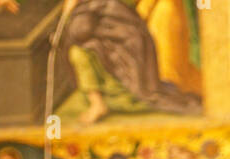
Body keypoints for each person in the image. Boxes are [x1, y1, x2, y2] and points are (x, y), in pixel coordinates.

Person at [59, 0, 202, 125]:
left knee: (79, 52)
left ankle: (100, 103)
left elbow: (79, 30)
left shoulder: (100, 5)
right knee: (81, 50)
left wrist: (70, 9)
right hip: (120, 40)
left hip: (125, 43)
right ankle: (99, 101)